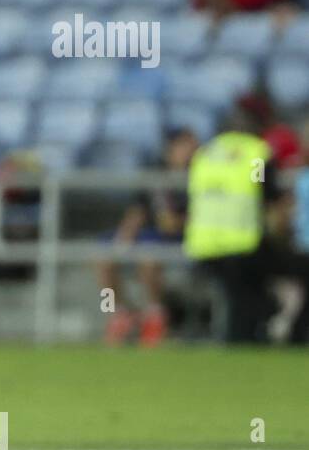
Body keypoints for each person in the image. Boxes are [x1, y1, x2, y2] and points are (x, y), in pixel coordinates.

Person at [184, 109, 309, 343]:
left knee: (245, 296)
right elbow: (267, 193)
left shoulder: (206, 153)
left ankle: (251, 333)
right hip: (242, 244)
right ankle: (296, 334)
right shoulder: (257, 153)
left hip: (203, 246)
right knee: (297, 271)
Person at [97, 128, 198, 347]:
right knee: (103, 256)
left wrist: (179, 223)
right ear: (171, 149)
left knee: (148, 256)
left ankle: (155, 315)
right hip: (151, 235)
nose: (190, 151)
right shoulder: (156, 175)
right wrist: (124, 237)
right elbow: (138, 210)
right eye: (184, 146)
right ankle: (115, 312)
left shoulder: (201, 174)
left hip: (184, 239)